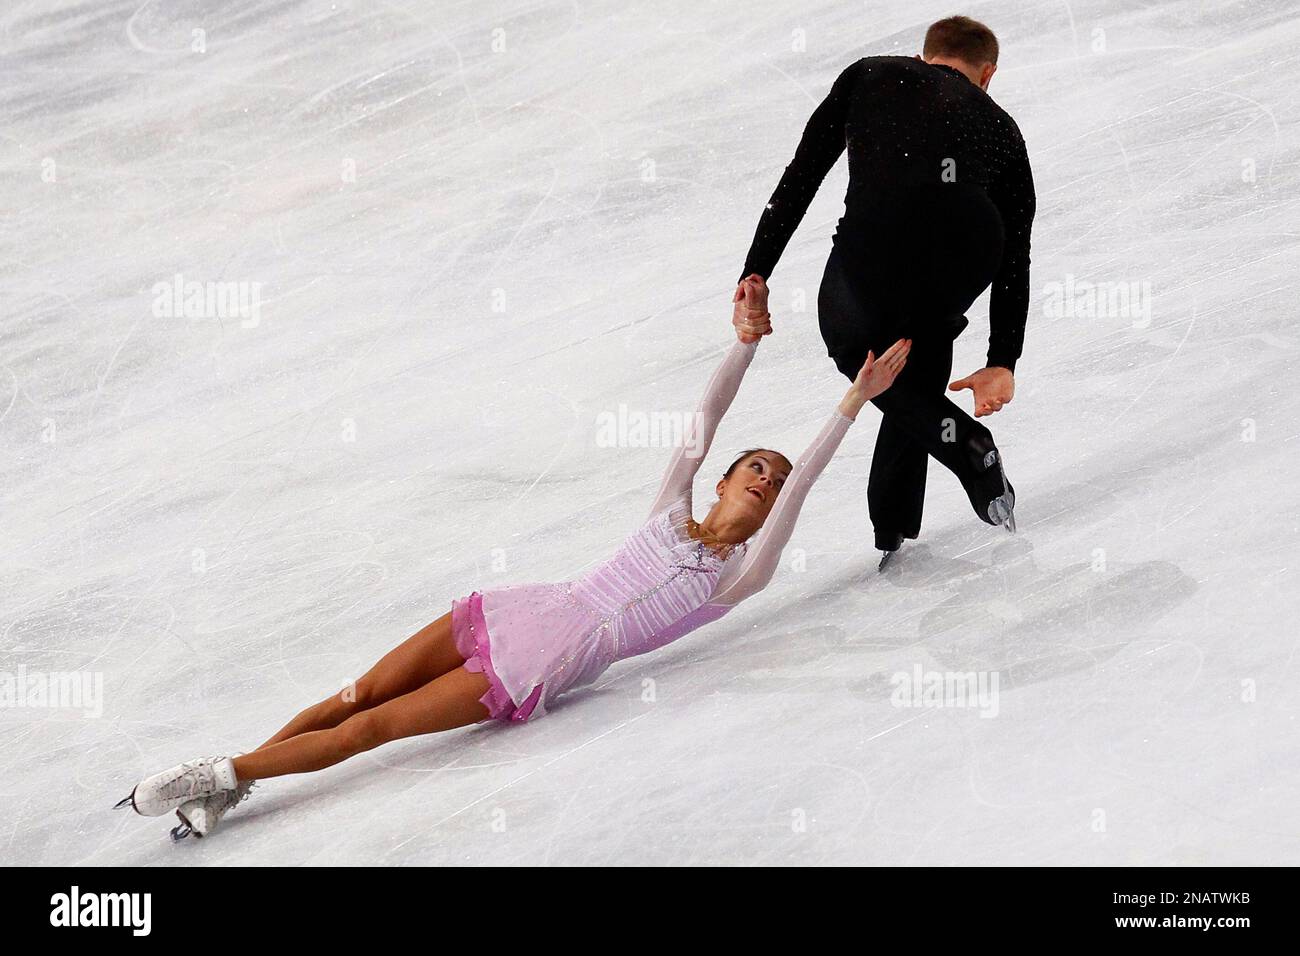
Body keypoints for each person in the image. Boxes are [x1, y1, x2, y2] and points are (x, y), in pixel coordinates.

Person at [115, 278, 912, 840]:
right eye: (754, 470)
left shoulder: (739, 579)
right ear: (725, 481)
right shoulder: (671, 506)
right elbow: (702, 419)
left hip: (542, 661)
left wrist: (853, 401)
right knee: (353, 695)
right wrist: (742, 345)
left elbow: (808, 479)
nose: (767, 482)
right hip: (510, 609)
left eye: (772, 484)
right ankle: (237, 781)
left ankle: (213, 774)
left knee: (377, 729)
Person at [732, 15, 1036, 567]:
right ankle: (892, 524)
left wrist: (758, 268)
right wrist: (1002, 358)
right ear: (987, 73)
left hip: (886, 239)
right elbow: (1017, 253)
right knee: (913, 363)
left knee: (856, 345)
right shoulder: (1004, 127)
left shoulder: (872, 75)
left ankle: (967, 446)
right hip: (969, 250)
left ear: (924, 57)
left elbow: (802, 176)